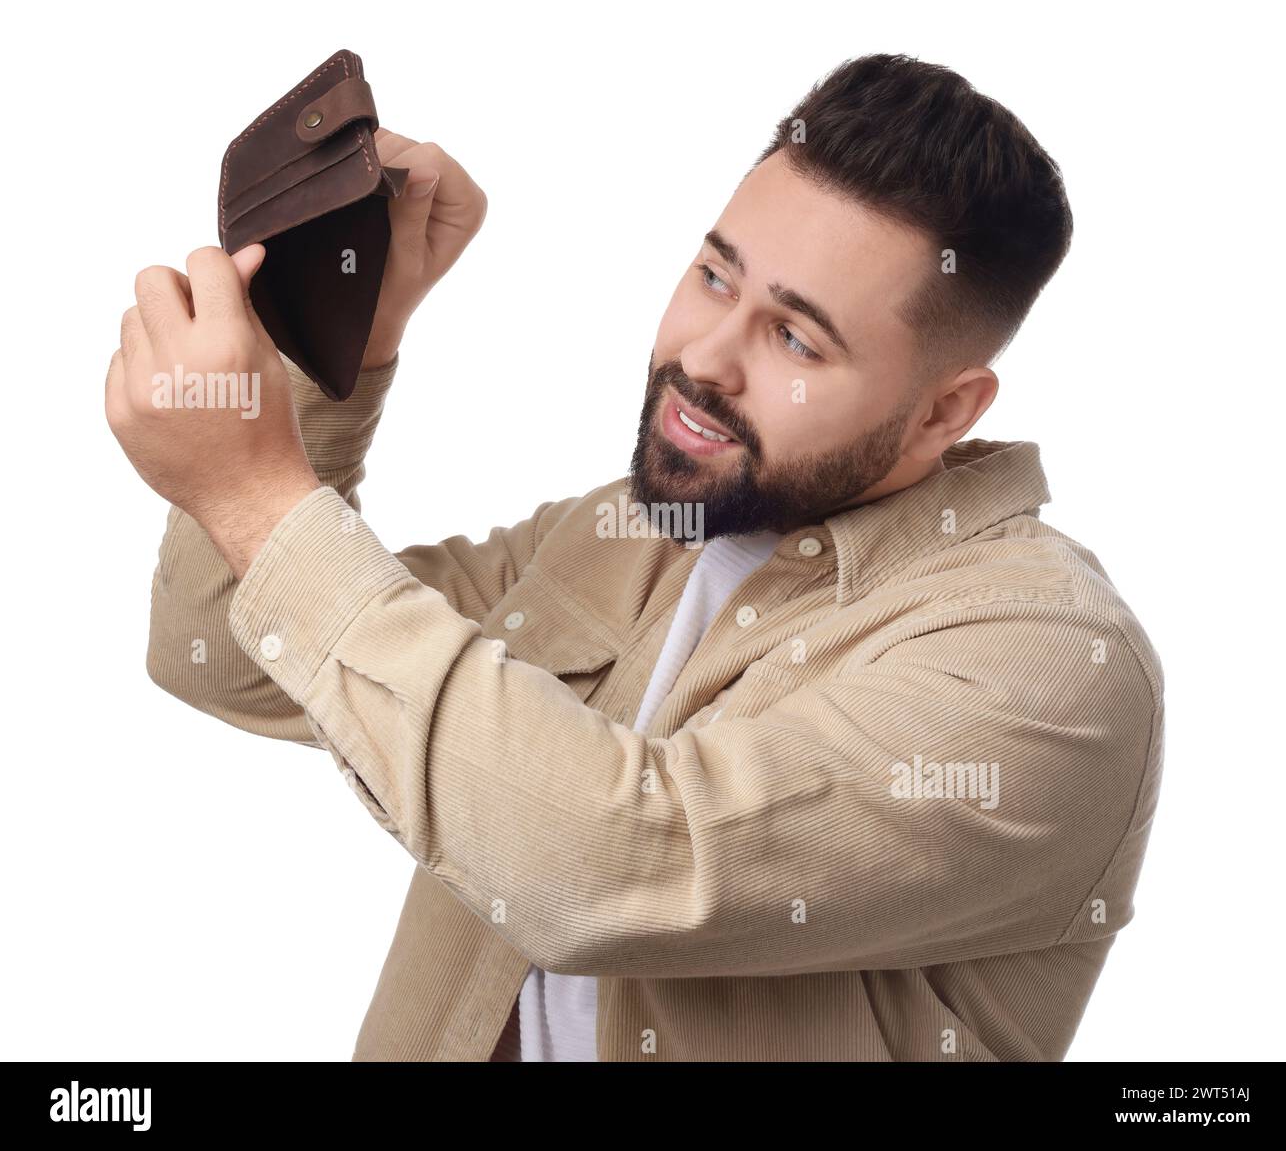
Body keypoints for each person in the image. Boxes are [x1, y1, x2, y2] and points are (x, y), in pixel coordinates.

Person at [107, 53, 1163, 1061]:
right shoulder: (633, 531)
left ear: (945, 410)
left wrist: (256, 489)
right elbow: (227, 654)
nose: (703, 360)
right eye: (714, 276)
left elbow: (605, 867)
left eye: (795, 340)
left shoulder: (1046, 666)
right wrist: (328, 352)